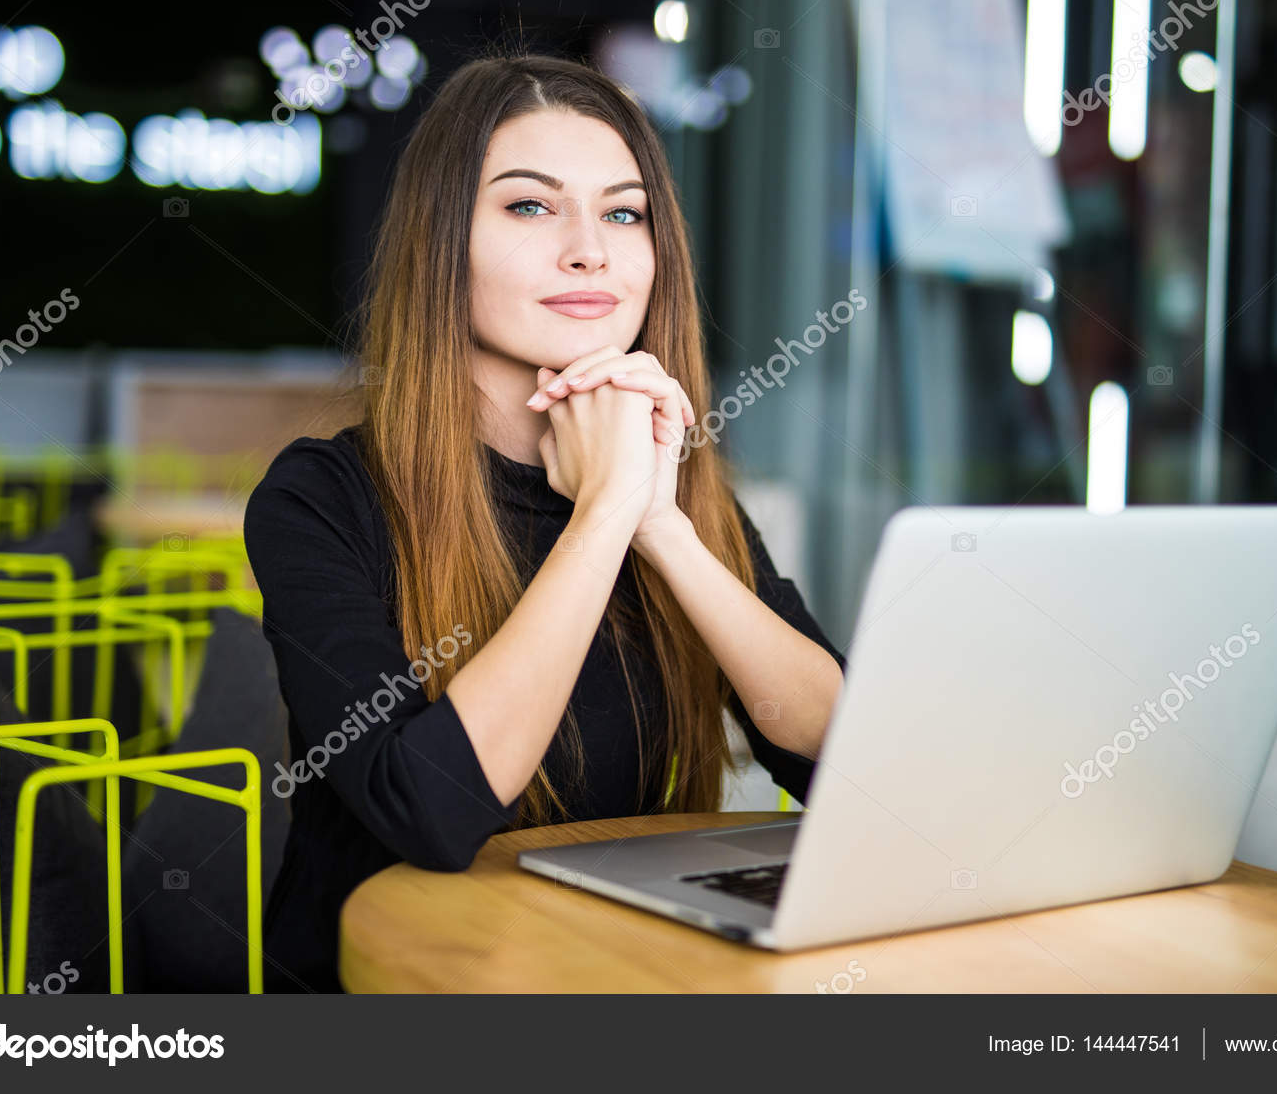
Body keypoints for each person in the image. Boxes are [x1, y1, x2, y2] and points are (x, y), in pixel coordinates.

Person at [243, 52, 847, 993]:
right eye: (530, 206)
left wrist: (661, 524)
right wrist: (601, 518)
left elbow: (839, 764)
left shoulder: (674, 488)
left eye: (623, 211)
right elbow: (431, 812)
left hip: (613, 979)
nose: (590, 250)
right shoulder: (322, 497)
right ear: (444, 241)